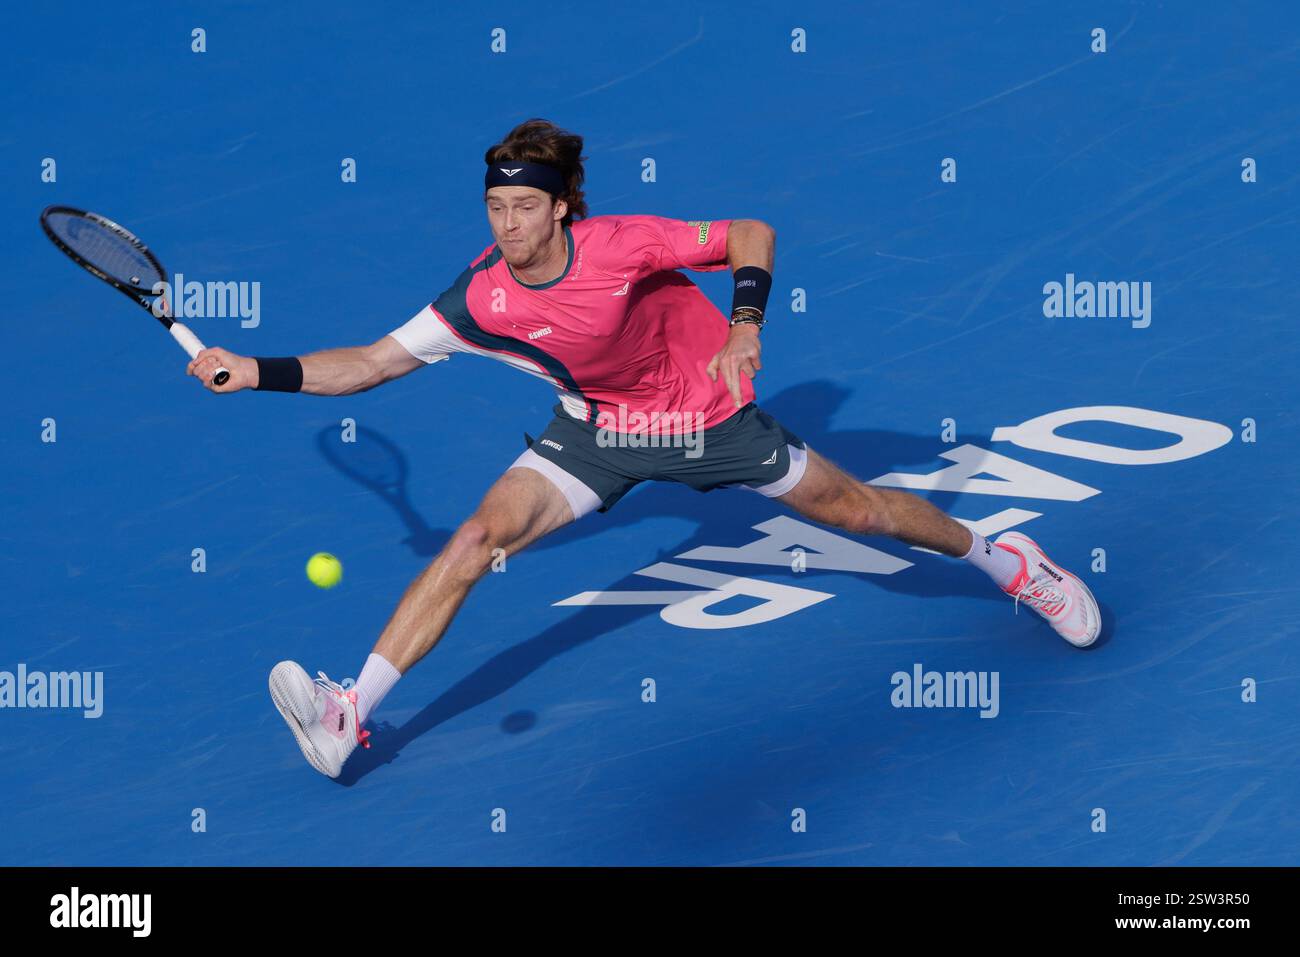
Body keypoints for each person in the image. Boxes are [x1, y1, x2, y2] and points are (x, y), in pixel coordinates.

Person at [187, 119, 1101, 779]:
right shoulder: (481, 295)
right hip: (594, 435)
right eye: (494, 206)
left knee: (862, 512)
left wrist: (745, 324)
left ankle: (1007, 561)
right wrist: (255, 369)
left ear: (559, 211)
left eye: (521, 208)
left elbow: (753, 233)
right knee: (474, 541)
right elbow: (373, 364)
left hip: (710, 423)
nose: (504, 225)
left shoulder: (622, 245)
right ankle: (351, 715)